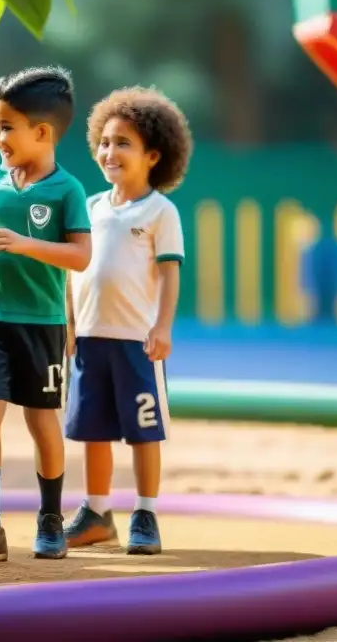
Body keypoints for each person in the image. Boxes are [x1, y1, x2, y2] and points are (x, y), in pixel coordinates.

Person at [0, 66, 92, 562]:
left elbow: (81, 256)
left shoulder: (66, 191)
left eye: (7, 126)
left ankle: (51, 519)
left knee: (41, 421)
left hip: (42, 323)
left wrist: (27, 244)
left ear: (42, 132)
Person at [63, 86, 193, 555]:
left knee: (143, 430)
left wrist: (162, 328)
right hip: (90, 340)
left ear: (153, 155)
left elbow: (169, 274)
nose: (110, 152)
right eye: (105, 141)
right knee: (91, 429)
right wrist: (70, 323)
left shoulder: (161, 212)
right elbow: (74, 270)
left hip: (136, 342)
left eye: (124, 143)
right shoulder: (91, 208)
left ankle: (145, 513)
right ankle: (97, 512)